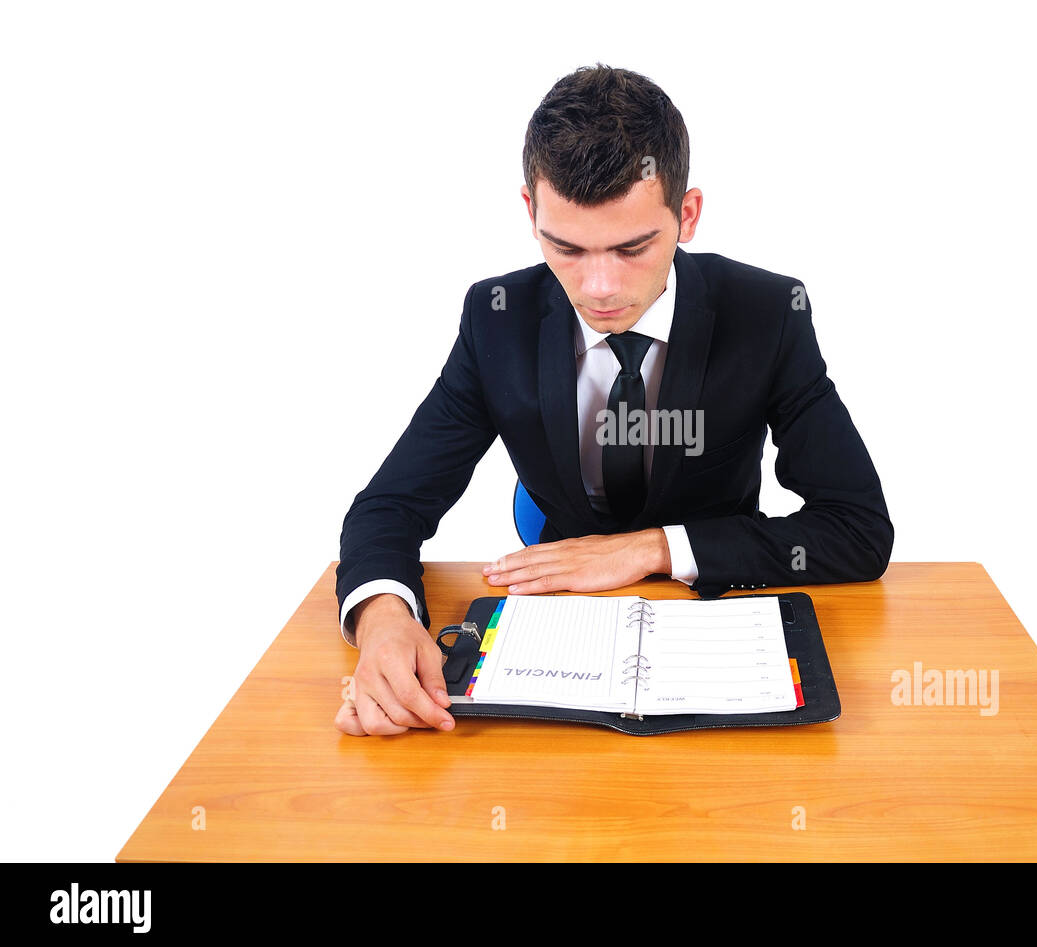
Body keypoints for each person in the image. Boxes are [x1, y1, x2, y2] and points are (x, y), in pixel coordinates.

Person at [334, 64, 892, 736]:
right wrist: (383, 617)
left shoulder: (767, 314)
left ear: (687, 215)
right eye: (566, 248)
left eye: (632, 248)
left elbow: (858, 530)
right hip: (556, 636)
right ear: (530, 212)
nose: (598, 287)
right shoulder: (496, 318)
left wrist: (655, 548)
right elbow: (391, 505)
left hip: (714, 617)